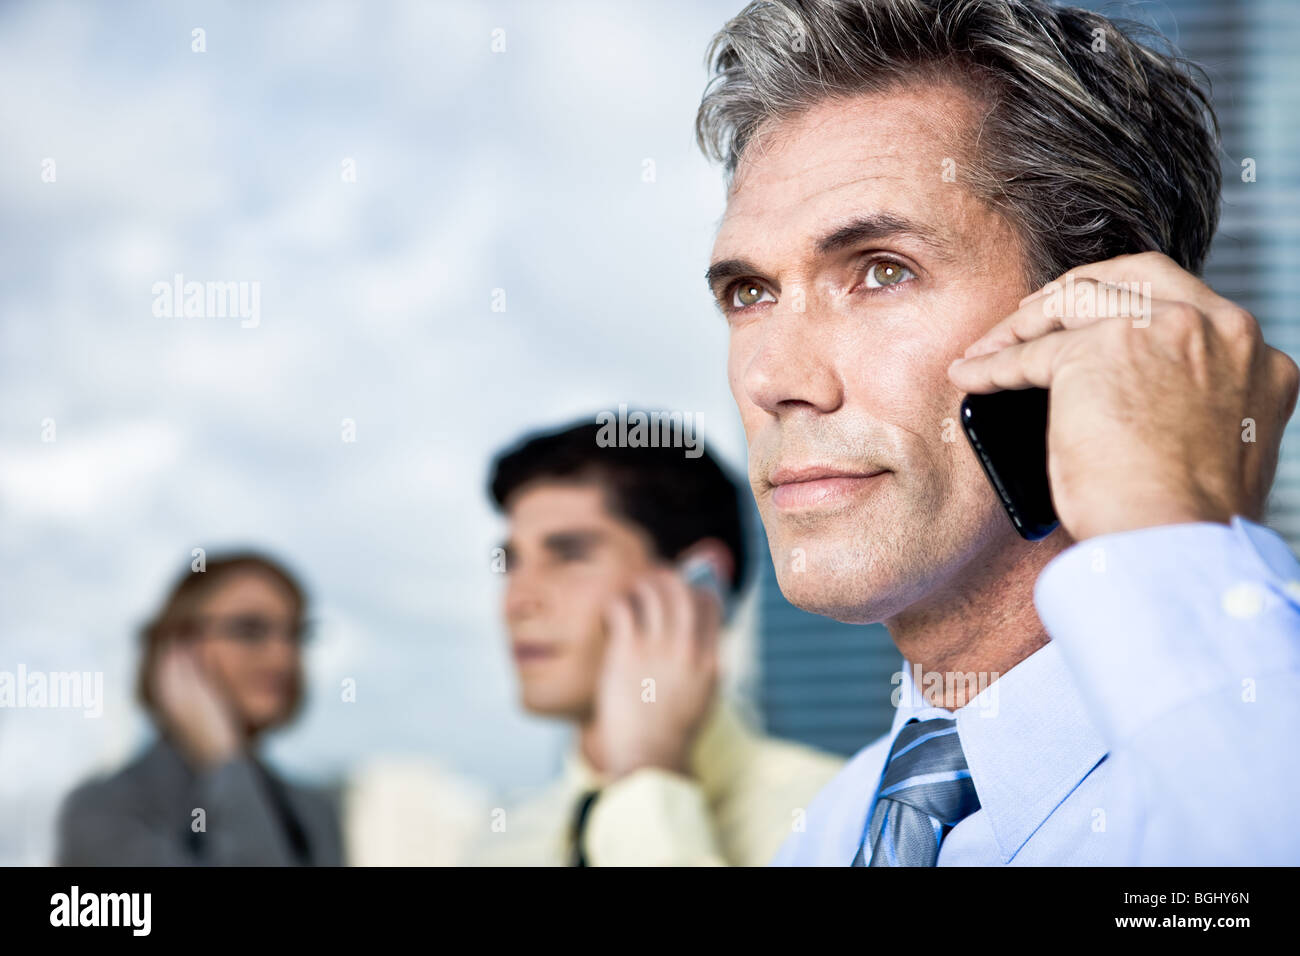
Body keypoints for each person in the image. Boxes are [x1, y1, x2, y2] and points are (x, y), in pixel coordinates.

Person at [693, 0, 1300, 865]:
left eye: (881, 272)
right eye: (750, 293)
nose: (774, 382)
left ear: (1098, 313)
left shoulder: (1254, 770)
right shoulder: (823, 838)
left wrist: (1172, 534)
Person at [467, 418, 844, 865]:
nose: (518, 602)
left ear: (698, 588)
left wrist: (646, 772)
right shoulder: (503, 845)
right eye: (512, 562)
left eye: (569, 555)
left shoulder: (836, 818)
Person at [57, 553, 342, 866]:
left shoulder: (312, 811)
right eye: (249, 629)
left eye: (295, 634)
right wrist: (224, 762)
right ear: (177, 647)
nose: (282, 657)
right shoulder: (106, 810)